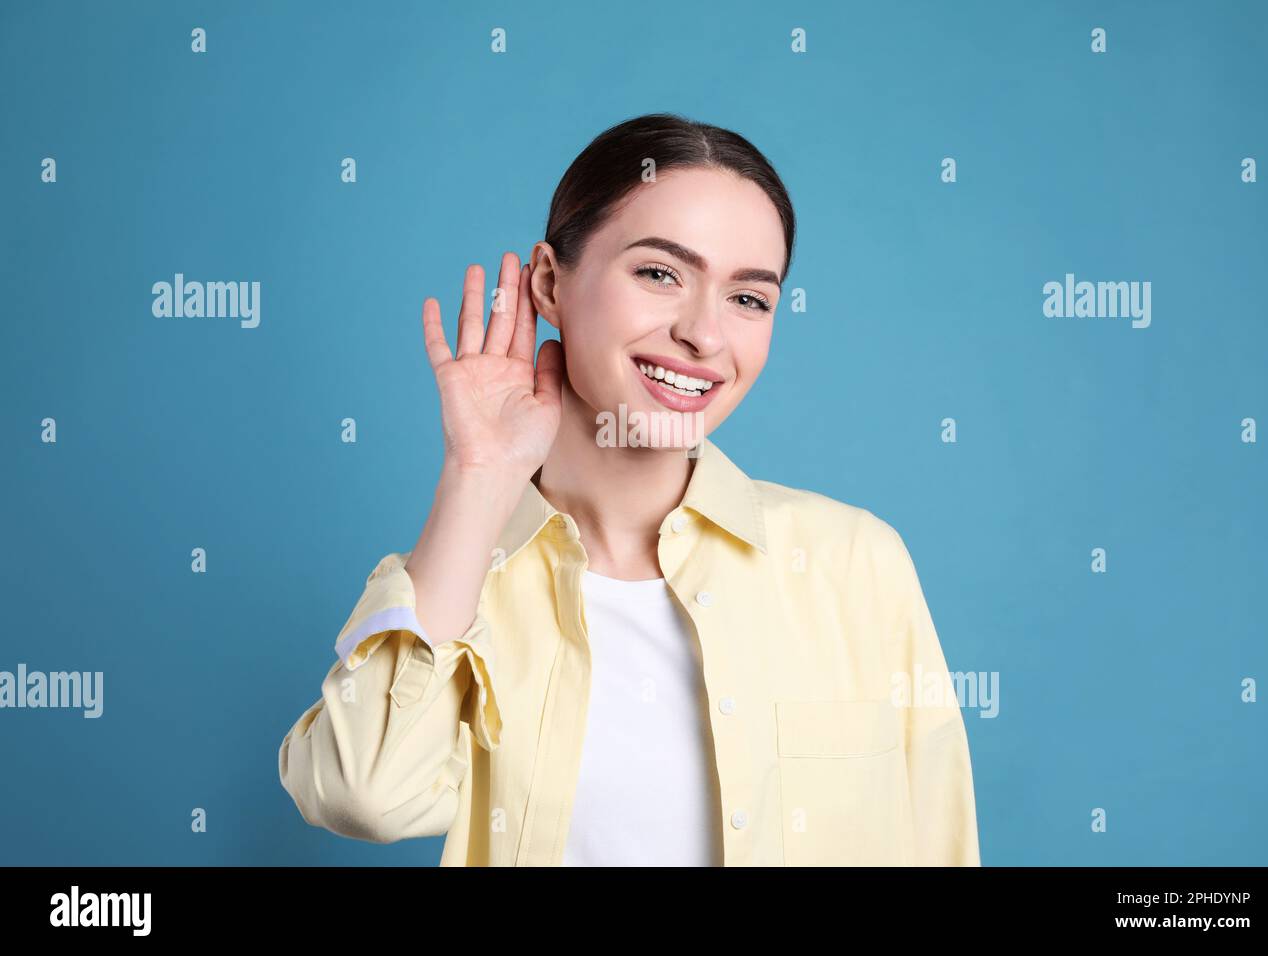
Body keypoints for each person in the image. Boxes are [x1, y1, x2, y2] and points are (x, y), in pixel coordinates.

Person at [277, 112, 980, 866]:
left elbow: (939, 842)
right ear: (550, 282)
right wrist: (478, 476)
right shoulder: (457, 588)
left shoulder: (854, 564)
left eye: (749, 299)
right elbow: (361, 796)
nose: (704, 335)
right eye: (659, 274)